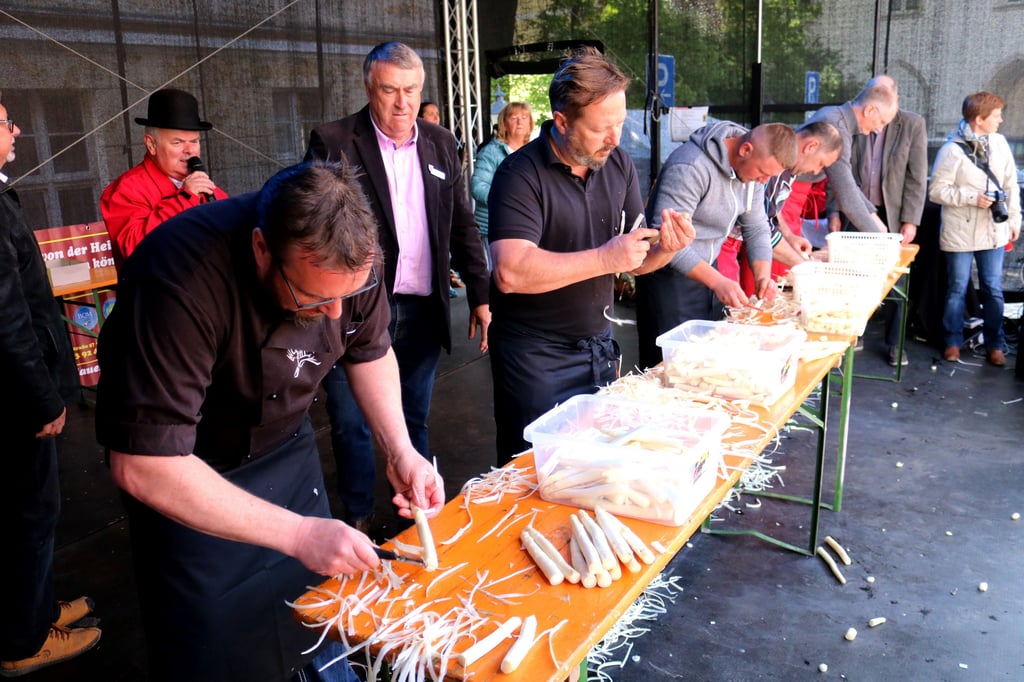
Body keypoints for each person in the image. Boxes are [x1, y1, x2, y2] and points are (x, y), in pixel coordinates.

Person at [95, 161, 443, 681]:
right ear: (262, 249)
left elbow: (369, 350)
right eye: (315, 297)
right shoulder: (178, 278)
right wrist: (300, 535)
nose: (333, 315)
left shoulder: (354, 256)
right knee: (222, 647)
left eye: (345, 297)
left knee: (319, 619)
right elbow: (144, 465)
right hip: (190, 473)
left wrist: (400, 450)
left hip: (288, 450)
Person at [304, 41, 489, 532]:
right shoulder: (335, 141)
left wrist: (480, 291)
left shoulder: (441, 143)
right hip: (357, 314)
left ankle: (415, 517)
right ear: (370, 88)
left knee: (413, 416)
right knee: (352, 421)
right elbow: (318, 232)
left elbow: (461, 224)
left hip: (424, 307)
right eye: (390, 90)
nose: (402, 102)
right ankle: (359, 520)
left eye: (411, 90)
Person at [486, 46, 695, 465]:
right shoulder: (519, 175)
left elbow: (633, 263)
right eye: (603, 128)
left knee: (597, 467)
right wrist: (604, 258)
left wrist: (666, 250)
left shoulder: (617, 164)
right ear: (561, 122)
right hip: (535, 358)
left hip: (598, 348)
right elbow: (510, 271)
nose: (616, 138)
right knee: (535, 473)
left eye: (619, 123)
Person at [0, 96, 101, 677]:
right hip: (17, 400)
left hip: (19, 390)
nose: (16, 129)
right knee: (29, 513)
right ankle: (23, 639)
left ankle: (34, 611)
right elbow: (7, 319)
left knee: (30, 511)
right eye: (6, 121)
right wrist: (42, 398)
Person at [634, 121, 796, 369]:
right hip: (667, 274)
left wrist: (763, 275)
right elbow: (665, 240)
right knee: (671, 366)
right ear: (745, 150)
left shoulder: (754, 174)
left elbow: (757, 226)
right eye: (762, 173)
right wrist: (717, 281)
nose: (764, 181)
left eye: (769, 177)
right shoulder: (690, 166)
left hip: (709, 269)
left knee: (707, 363)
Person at [837, 77, 928, 366]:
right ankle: (853, 332)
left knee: (895, 282)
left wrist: (911, 219)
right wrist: (832, 213)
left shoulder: (912, 124)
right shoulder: (854, 123)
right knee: (849, 277)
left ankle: (894, 344)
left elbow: (916, 176)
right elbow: (837, 171)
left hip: (891, 214)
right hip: (854, 211)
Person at [929, 91, 1021, 366]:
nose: (1001, 120)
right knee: (957, 287)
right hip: (960, 230)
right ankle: (952, 341)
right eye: (995, 116)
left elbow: (1010, 185)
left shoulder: (1001, 144)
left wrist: (1015, 220)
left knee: (993, 288)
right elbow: (936, 190)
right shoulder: (951, 150)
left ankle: (996, 344)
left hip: (993, 229)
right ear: (979, 119)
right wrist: (971, 198)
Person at [100, 88, 227, 266]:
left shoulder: (207, 188)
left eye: (194, 141)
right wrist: (184, 198)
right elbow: (134, 248)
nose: (189, 150)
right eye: (177, 142)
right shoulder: (125, 190)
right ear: (151, 144)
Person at [718, 120, 843, 291]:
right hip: (720, 242)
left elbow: (770, 210)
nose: (816, 172)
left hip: (732, 245)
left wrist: (789, 236)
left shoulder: (790, 168)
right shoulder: (775, 164)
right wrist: (804, 266)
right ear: (811, 146)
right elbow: (762, 229)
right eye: (820, 163)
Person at [806, 76, 899, 234]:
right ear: (869, 110)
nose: (879, 129)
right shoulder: (837, 127)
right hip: (788, 195)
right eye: (882, 122)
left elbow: (847, 182)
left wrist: (874, 218)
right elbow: (847, 195)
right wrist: (879, 237)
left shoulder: (837, 116)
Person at [471, 101, 533, 268]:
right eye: (514, 117)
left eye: (524, 117)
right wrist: (508, 200)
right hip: (495, 225)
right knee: (498, 278)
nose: (520, 122)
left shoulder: (534, 151)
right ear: (504, 123)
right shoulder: (491, 152)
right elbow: (477, 187)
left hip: (528, 226)